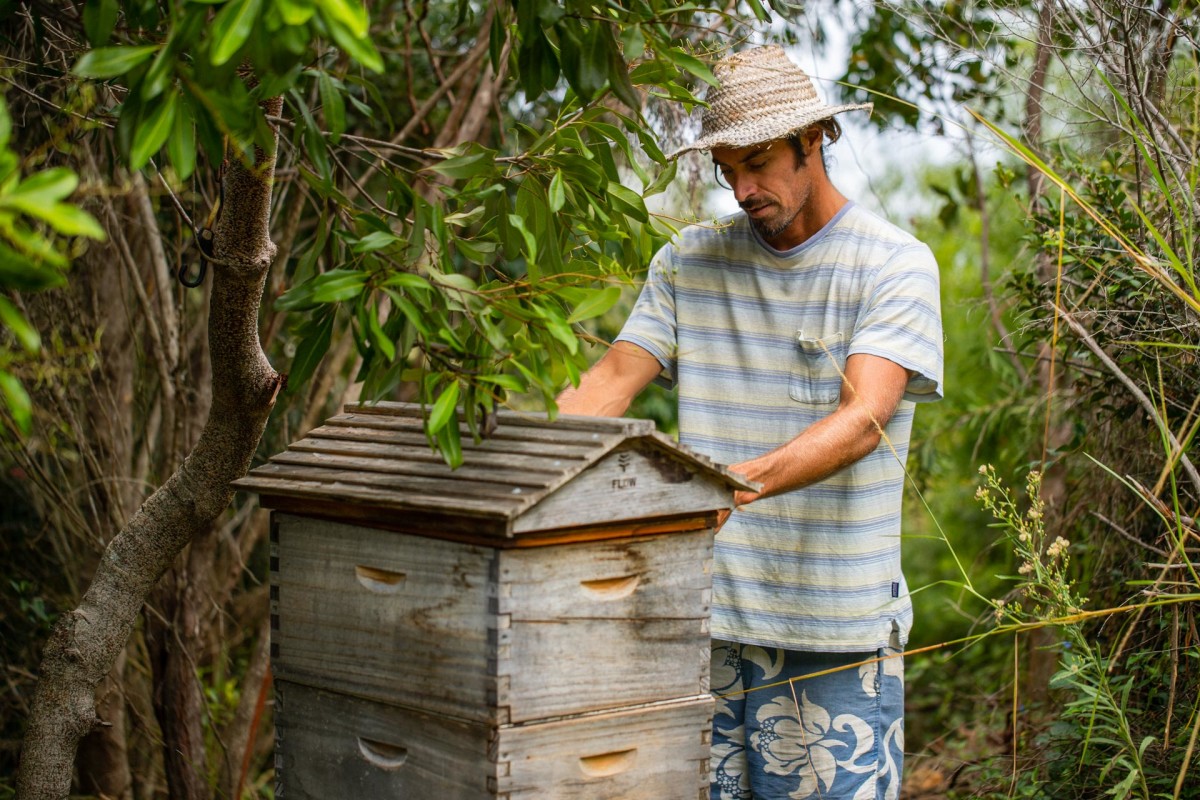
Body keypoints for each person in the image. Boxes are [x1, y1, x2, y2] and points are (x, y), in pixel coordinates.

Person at [556, 44, 944, 800]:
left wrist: (721, 490)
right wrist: (505, 472)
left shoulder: (892, 264)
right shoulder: (688, 261)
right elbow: (608, 382)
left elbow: (864, 415)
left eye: (759, 162)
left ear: (815, 140)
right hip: (705, 624)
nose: (742, 188)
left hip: (836, 631)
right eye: (726, 169)